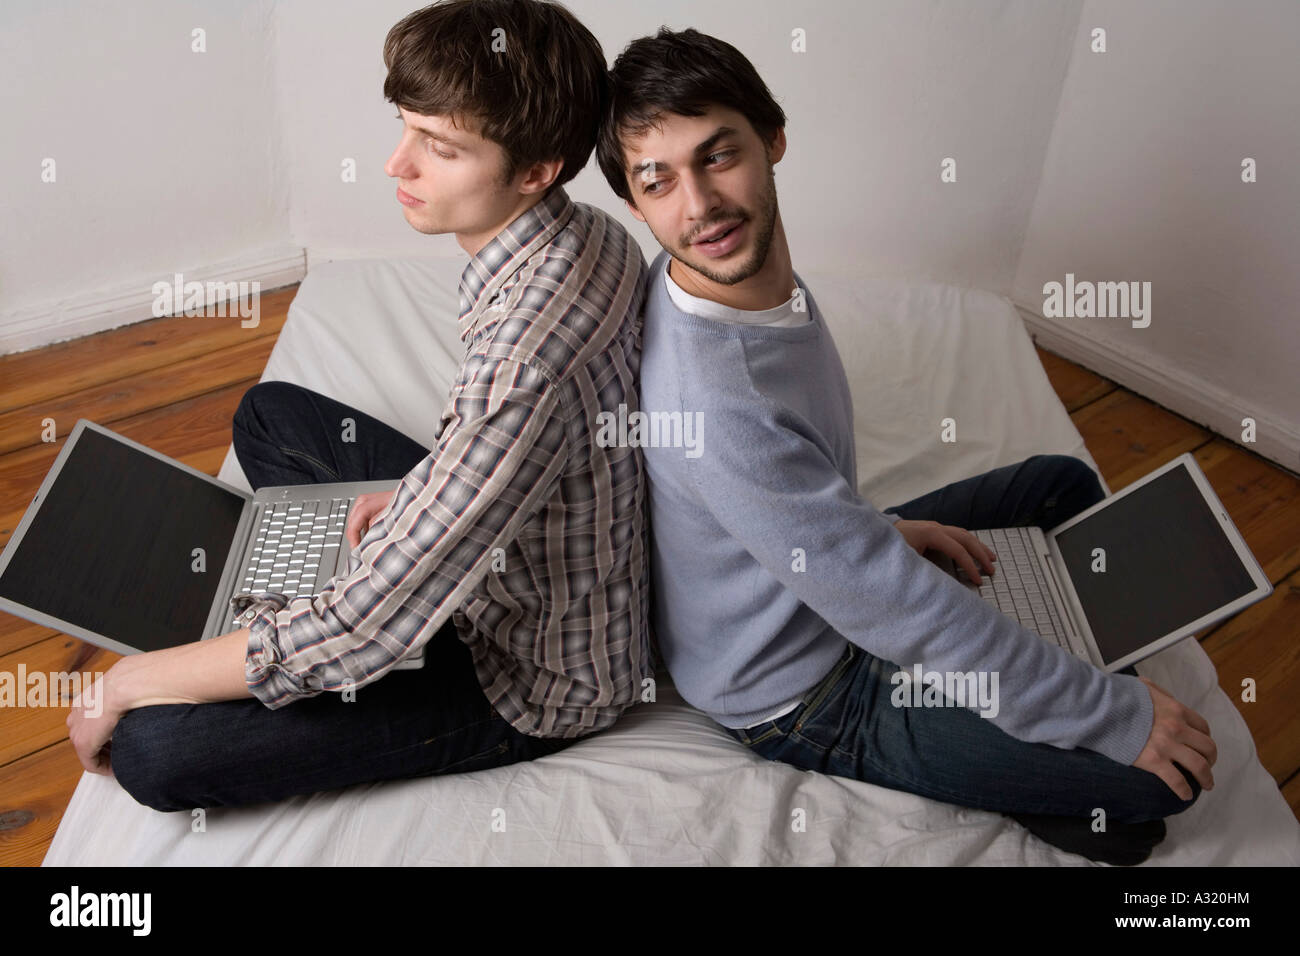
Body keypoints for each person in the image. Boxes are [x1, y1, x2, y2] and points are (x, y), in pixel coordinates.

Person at [594, 27, 1215, 865]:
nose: (698, 205)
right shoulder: (716, 397)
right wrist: (1106, 714)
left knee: (1057, 484)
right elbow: (889, 604)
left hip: (818, 568)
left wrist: (875, 531)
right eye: (657, 180)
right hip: (799, 690)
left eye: (719, 155)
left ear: (774, 140)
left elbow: (810, 518)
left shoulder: (747, 283)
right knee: (1148, 791)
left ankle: (1052, 640)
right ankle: (1026, 748)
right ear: (634, 203)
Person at [67, 0, 652, 811]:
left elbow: (363, 630)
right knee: (268, 414)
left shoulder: (524, 371)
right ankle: (276, 577)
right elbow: (511, 455)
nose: (396, 165)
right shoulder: (591, 232)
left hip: (526, 676)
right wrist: (423, 498)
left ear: (536, 170)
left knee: (151, 750)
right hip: (509, 548)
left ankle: (242, 621)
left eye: (439, 147)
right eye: (407, 129)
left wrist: (134, 678)